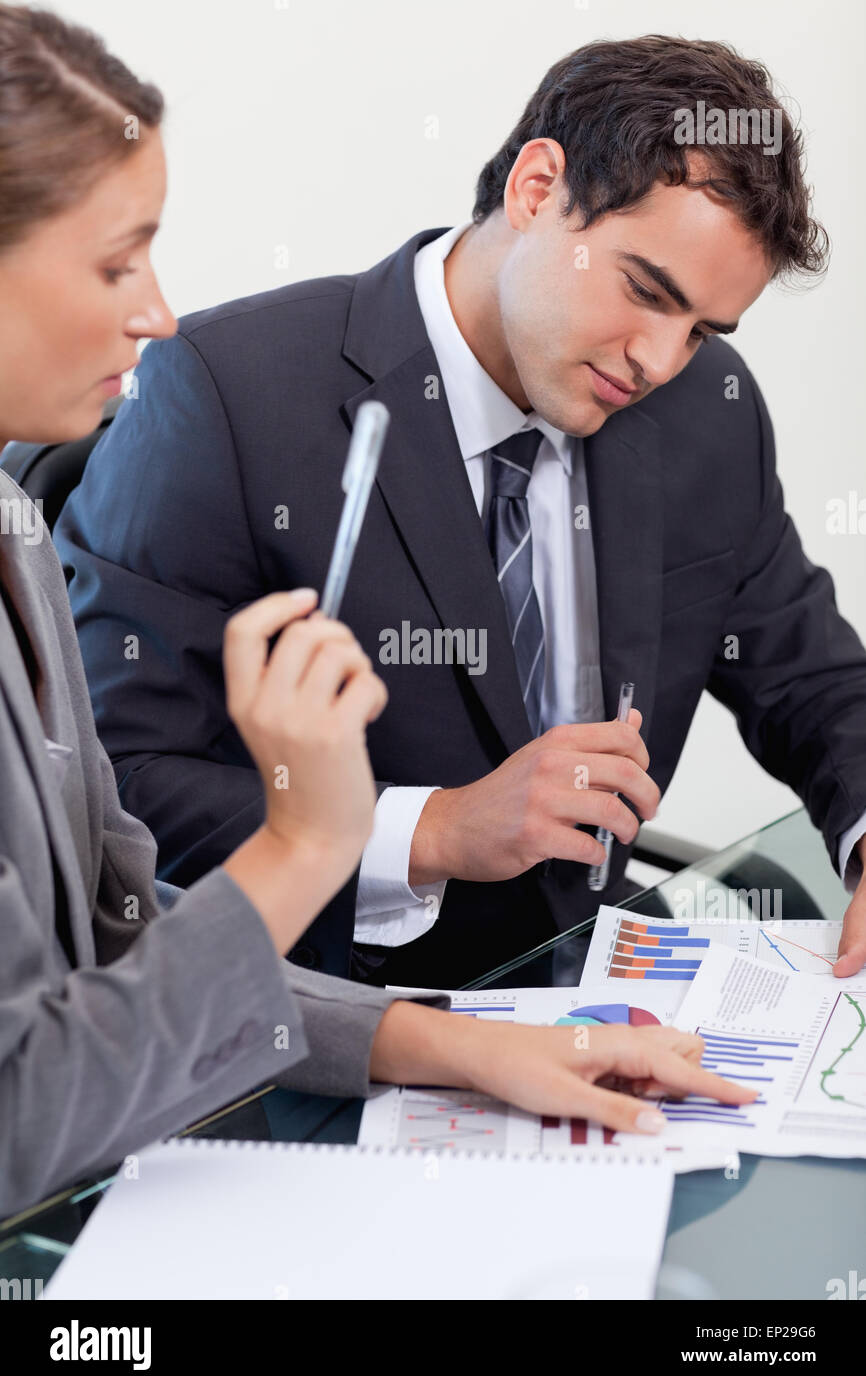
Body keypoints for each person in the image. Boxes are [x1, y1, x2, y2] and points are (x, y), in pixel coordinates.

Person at [0, 5, 752, 1219]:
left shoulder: (14, 534)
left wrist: (450, 1046)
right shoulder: (224, 394)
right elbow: (24, 1106)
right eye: (114, 260)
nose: (156, 310)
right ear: (535, 187)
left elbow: (123, 921)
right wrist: (325, 835)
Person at [54, 34, 866, 991]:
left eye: (699, 330)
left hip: (590, 1006)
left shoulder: (704, 415)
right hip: (320, 1022)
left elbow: (812, 677)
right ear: (536, 188)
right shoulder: (229, 397)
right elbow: (106, 788)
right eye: (646, 291)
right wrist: (432, 829)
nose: (658, 360)